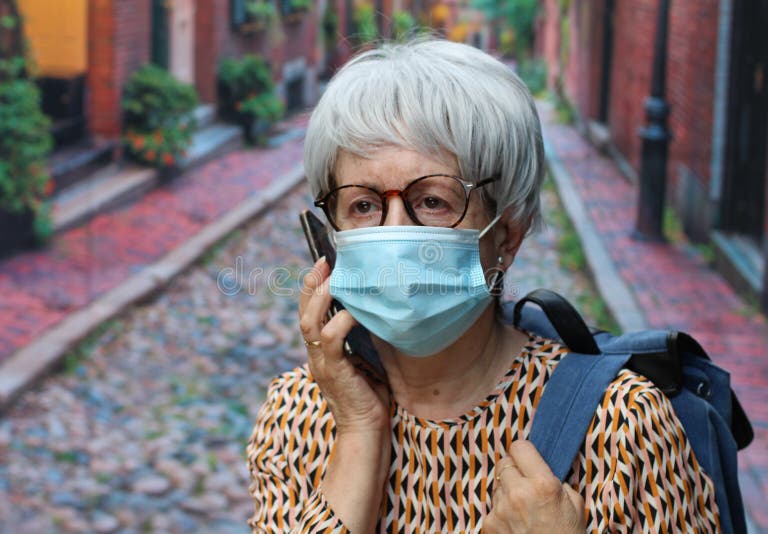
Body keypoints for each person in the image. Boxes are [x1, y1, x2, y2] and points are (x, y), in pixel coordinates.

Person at [247, 38, 719, 532]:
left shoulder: (623, 429)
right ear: (331, 237)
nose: (397, 234)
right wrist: (360, 430)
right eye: (363, 205)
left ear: (507, 235)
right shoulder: (298, 416)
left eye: (432, 201)